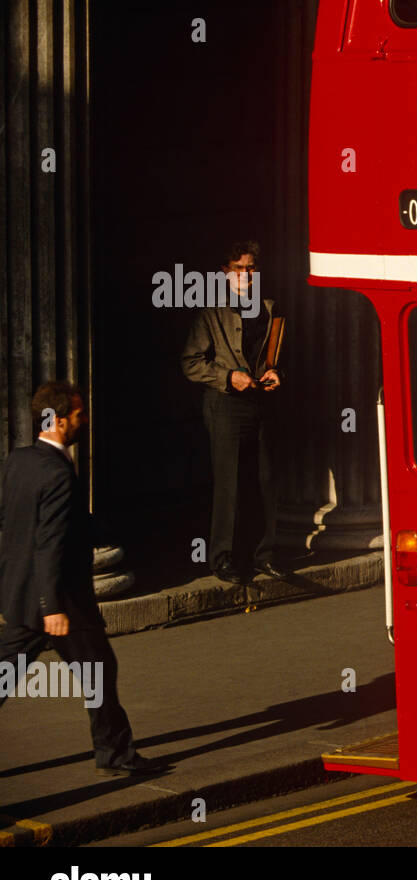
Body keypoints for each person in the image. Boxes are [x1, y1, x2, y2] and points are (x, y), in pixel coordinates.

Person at [0, 383, 161, 776]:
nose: (84, 420)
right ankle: (116, 755)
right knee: (100, 671)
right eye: (78, 414)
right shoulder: (57, 472)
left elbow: (14, 523)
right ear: (55, 420)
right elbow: (49, 543)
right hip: (62, 602)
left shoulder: (17, 461)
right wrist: (51, 607)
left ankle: (116, 752)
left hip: (22, 594)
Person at [180, 241, 286, 584]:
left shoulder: (271, 307)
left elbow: (278, 354)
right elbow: (191, 363)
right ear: (226, 272)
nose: (247, 274)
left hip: (260, 400)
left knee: (266, 478)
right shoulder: (210, 310)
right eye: (240, 268)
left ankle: (264, 554)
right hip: (225, 402)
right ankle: (223, 558)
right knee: (230, 481)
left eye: (252, 267)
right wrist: (228, 377)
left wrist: (276, 372)